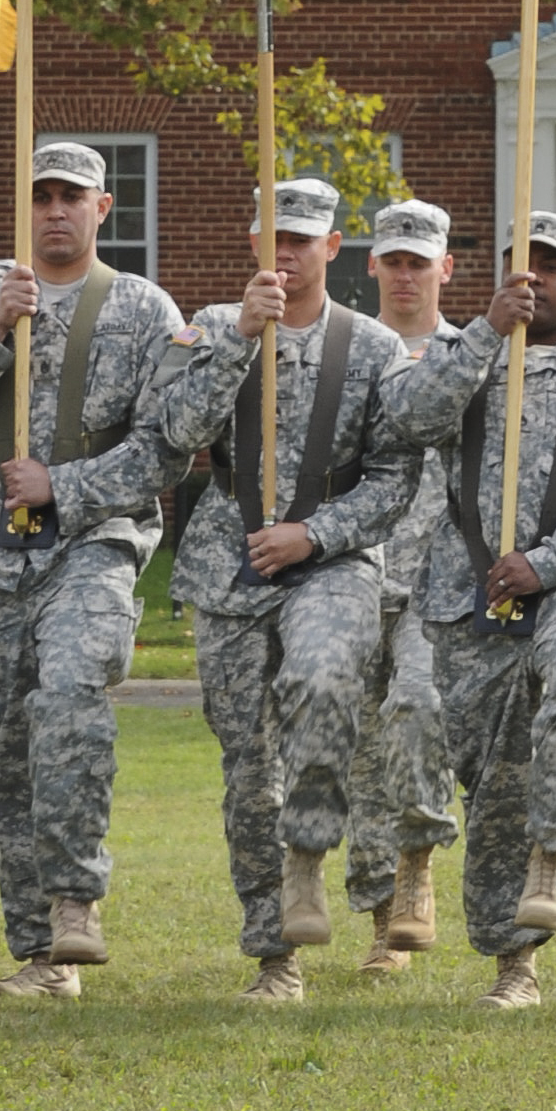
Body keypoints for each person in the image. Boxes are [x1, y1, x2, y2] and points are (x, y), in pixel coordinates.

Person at [0, 142, 188, 999]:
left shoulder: (143, 310)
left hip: (95, 543)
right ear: (22, 206)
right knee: (10, 752)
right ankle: (40, 958)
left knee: (71, 696)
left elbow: (167, 450)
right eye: (41, 195)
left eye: (73, 196)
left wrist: (62, 485)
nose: (56, 210)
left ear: (105, 209)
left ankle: (76, 899)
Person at [380, 211, 556, 1010]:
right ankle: (515, 967)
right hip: (465, 593)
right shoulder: (462, 358)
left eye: (555, 265)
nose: (536, 277)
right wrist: (482, 338)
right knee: (495, 776)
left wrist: (543, 565)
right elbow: (406, 421)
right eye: (522, 264)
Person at [150, 179, 418, 1003]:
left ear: (333, 249)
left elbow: (396, 480)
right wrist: (239, 336)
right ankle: (277, 952)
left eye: (305, 241)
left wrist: (318, 533)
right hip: (229, 565)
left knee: (325, 677)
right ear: (255, 243)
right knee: (247, 767)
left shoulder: (374, 349)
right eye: (276, 240)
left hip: (331, 559)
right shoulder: (206, 331)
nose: (289, 255)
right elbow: (175, 434)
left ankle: (310, 851)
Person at [341, 198, 461, 976]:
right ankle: (386, 922)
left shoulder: (474, 358)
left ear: (445, 267)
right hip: (352, 569)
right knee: (358, 751)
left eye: (422, 261)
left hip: (437, 580)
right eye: (394, 260)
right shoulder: (351, 353)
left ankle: (418, 863)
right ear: (374, 265)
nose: (407, 273)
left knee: (416, 709)